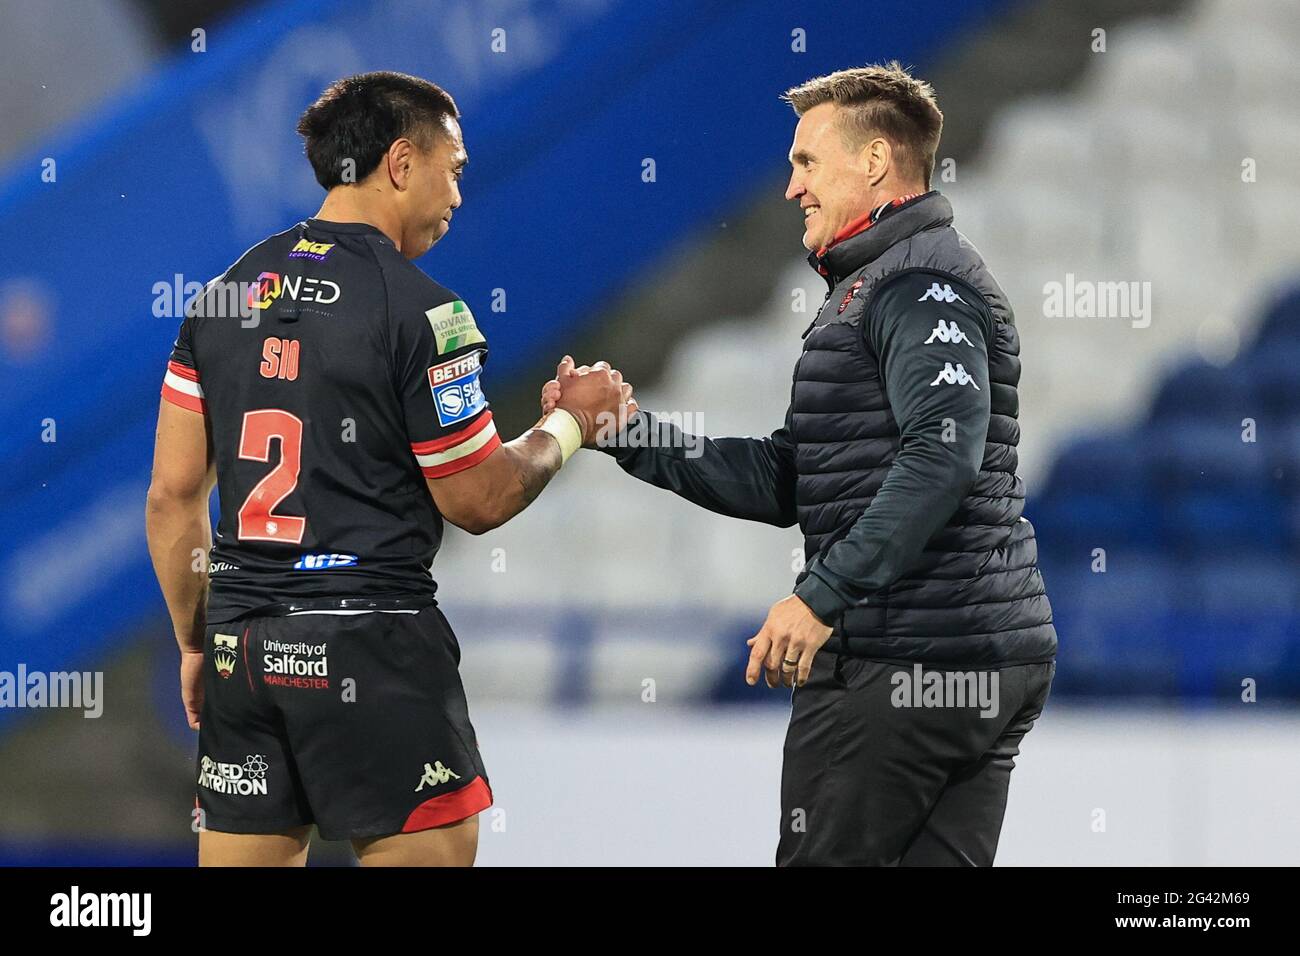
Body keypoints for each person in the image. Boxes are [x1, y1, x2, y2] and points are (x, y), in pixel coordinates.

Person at [544, 62, 1056, 866]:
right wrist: (628, 432)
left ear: (876, 161)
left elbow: (943, 454)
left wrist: (820, 598)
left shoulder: (917, 282)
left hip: (902, 659)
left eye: (807, 162)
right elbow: (792, 476)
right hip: (976, 658)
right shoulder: (884, 281)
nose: (791, 188)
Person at [145, 71, 626, 867]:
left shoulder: (222, 299)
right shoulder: (424, 311)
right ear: (402, 162)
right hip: (372, 647)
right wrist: (572, 422)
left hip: (243, 650)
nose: (459, 196)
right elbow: (477, 497)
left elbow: (171, 500)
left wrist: (200, 645)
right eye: (455, 168)